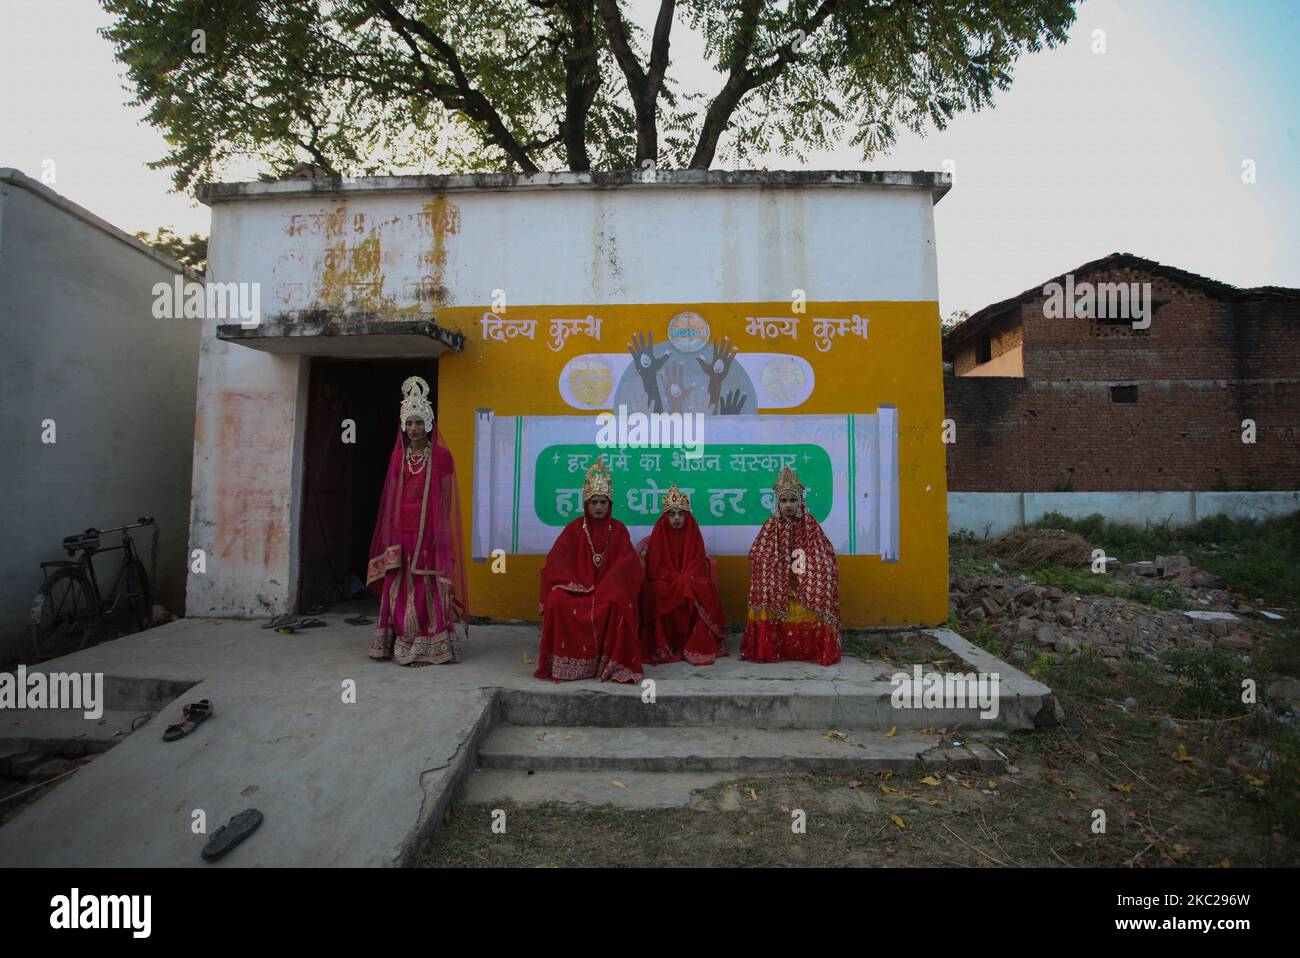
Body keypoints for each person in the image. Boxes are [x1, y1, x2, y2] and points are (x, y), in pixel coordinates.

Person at [366, 376, 468, 666]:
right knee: (400, 582)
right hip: (402, 530)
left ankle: (432, 643)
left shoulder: (442, 457)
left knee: (428, 583)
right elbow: (392, 498)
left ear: (429, 424)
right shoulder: (399, 458)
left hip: (431, 531)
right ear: (403, 426)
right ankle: (400, 640)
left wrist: (441, 532)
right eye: (409, 423)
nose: (414, 429)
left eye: (419, 423)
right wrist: (390, 534)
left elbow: (446, 499)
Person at [535, 458, 644, 683]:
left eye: (603, 502)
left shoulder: (619, 530)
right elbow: (556, 560)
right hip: (578, 588)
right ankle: (564, 664)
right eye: (594, 501)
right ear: (586, 502)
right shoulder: (574, 528)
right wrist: (576, 583)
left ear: (610, 503)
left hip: (606, 589)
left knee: (616, 601)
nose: (598, 507)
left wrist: (607, 584)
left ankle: (608, 663)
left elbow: (627, 564)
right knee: (556, 599)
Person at [741, 465, 841, 665]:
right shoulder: (771, 525)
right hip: (779, 577)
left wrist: (809, 573)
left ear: (800, 501)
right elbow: (759, 552)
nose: (788, 505)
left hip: (804, 575)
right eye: (784, 500)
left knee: (825, 573)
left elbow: (822, 552)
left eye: (792, 500)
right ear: (778, 502)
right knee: (766, 579)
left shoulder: (810, 525)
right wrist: (778, 568)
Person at [640, 484, 728, 666]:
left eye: (681, 514)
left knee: (699, 587)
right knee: (656, 589)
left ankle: (694, 643)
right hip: (667, 580)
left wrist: (683, 578)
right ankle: (664, 645)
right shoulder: (659, 533)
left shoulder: (693, 531)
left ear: (687, 515)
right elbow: (654, 567)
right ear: (665, 517)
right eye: (672, 514)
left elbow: (697, 563)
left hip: (689, 578)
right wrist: (675, 578)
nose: (677, 518)